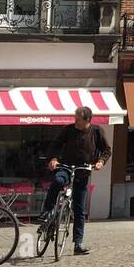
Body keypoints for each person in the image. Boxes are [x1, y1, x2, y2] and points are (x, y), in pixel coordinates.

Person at [40, 107, 110, 256]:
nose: (75, 120)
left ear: (87, 120)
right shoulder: (68, 130)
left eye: (77, 118)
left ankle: (78, 243)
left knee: (79, 209)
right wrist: (52, 159)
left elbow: (106, 150)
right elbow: (55, 145)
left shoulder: (96, 131)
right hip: (66, 166)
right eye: (75, 117)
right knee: (58, 181)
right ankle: (47, 210)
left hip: (83, 171)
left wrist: (100, 162)